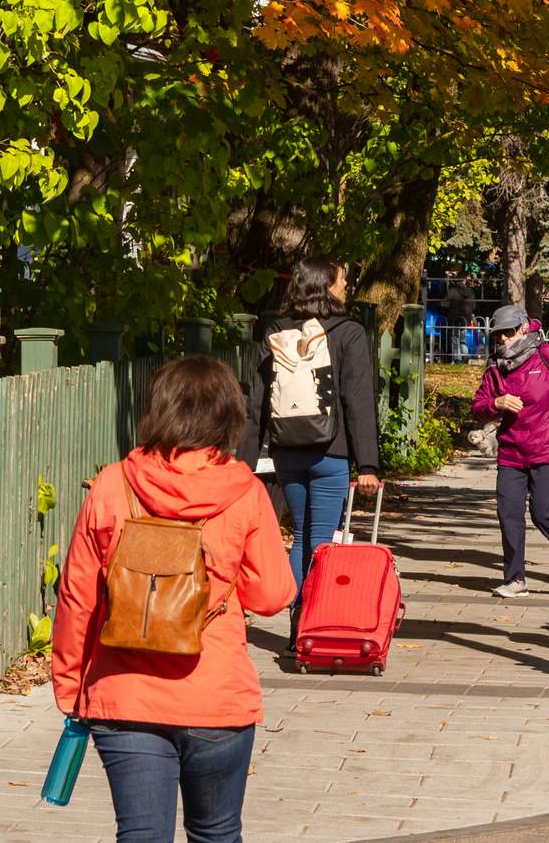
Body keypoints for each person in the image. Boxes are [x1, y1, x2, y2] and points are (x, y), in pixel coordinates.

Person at [52, 356, 295, 843]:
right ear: (229, 416)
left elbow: (78, 596)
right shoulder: (245, 492)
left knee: (141, 835)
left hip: (125, 695)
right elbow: (272, 596)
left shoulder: (112, 484)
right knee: (217, 833)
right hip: (217, 697)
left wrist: (70, 685)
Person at [244, 254, 383, 646]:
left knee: (303, 537)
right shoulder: (348, 332)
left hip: (287, 450)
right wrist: (368, 464)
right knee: (321, 541)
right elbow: (358, 401)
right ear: (325, 286)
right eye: (341, 281)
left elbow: (256, 402)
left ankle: (297, 619)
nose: (345, 287)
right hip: (330, 452)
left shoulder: (276, 331)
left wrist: (245, 462)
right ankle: (306, 624)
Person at [472, 303, 549, 597]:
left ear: (524, 328)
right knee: (508, 514)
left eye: (508, 333)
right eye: (498, 334)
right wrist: (496, 404)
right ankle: (515, 579)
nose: (502, 340)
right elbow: (478, 407)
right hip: (512, 451)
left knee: (543, 512)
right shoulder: (495, 368)